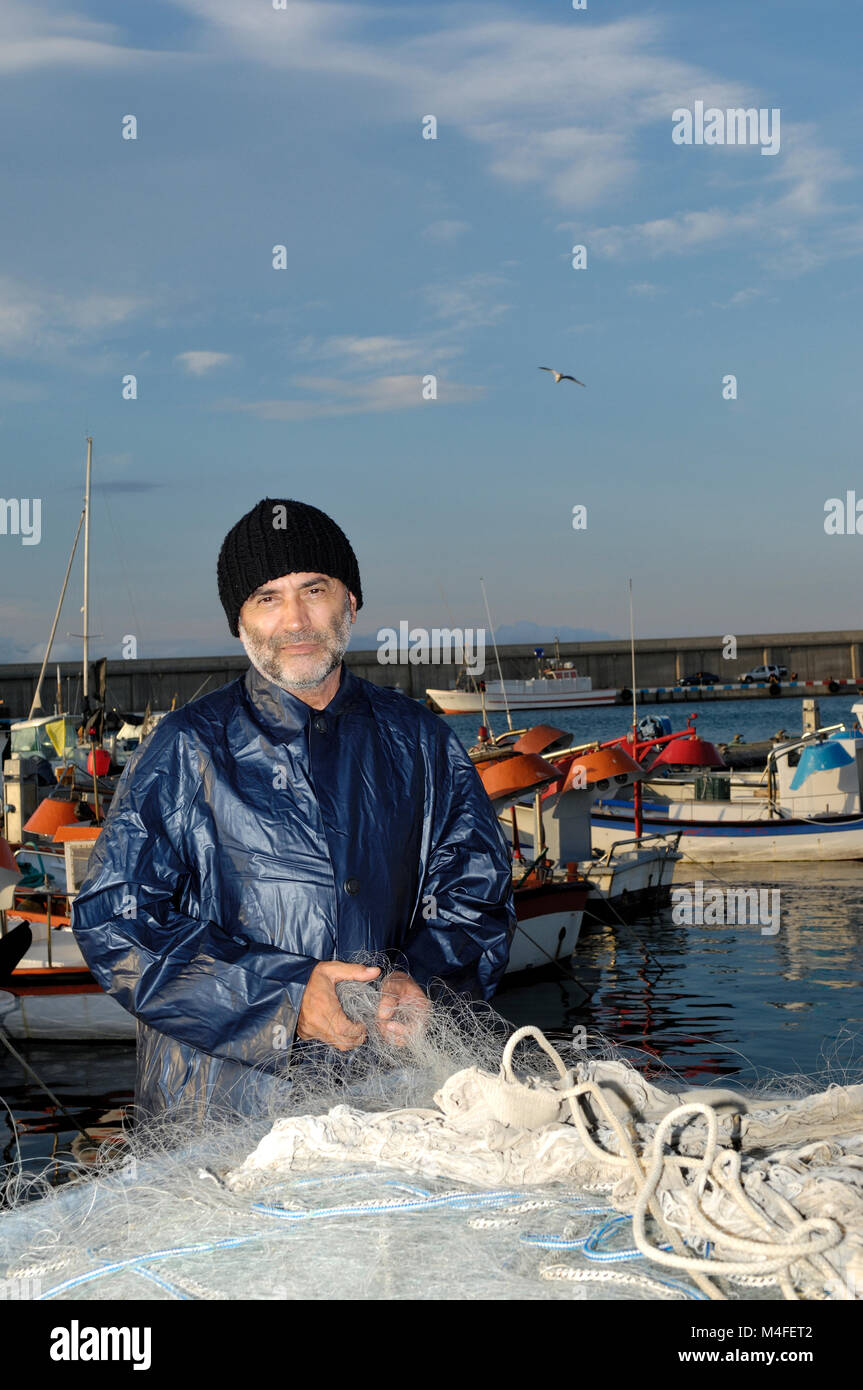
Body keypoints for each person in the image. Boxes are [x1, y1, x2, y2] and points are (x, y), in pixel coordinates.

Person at [71, 498, 516, 1121]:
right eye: (267, 598)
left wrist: (419, 976)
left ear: (351, 601)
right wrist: (281, 1000)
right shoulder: (186, 747)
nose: (296, 620)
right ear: (240, 622)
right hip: (216, 1123)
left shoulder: (421, 741)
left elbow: (477, 898)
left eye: (314, 589)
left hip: (392, 1114)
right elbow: (113, 924)